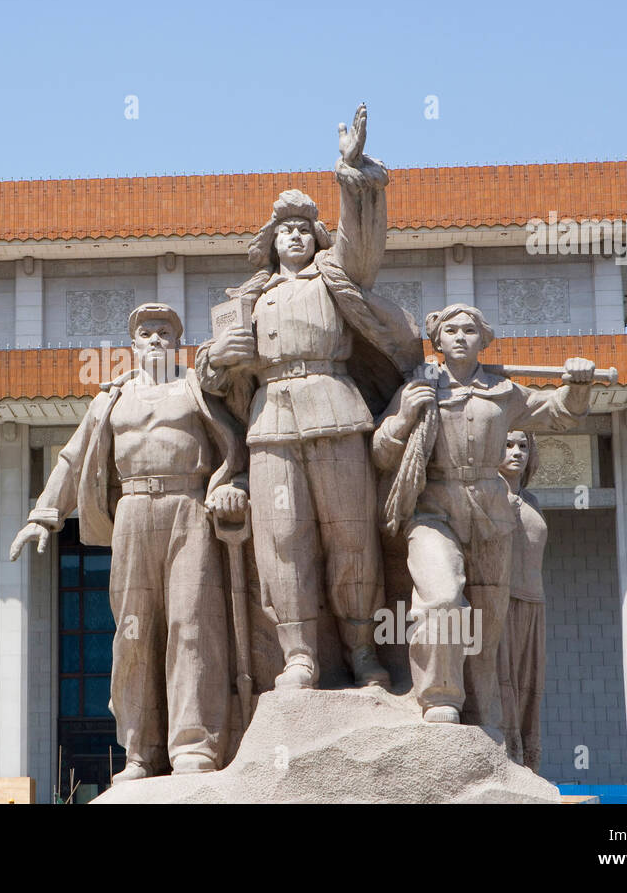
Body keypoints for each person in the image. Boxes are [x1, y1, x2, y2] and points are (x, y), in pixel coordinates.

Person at [196, 105, 421, 690]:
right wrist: (219, 359)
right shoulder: (246, 299)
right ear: (270, 243)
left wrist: (350, 172)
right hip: (270, 422)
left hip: (335, 409)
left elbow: (363, 242)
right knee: (283, 540)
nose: (294, 237)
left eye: (303, 228)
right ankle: (299, 655)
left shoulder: (336, 277)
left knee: (351, 536)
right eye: (284, 231)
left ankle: (362, 651)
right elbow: (211, 377)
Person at [9, 303, 247, 781]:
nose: (156, 339)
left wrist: (229, 485)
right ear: (133, 344)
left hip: (189, 506)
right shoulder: (111, 401)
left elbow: (238, 445)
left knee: (192, 626)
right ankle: (141, 750)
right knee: (133, 634)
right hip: (133, 512)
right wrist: (45, 514)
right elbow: (73, 459)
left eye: (164, 332)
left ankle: (193, 746)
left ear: (177, 343)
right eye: (146, 332)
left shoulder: (197, 391)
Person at [372, 304, 593, 727]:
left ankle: (483, 719)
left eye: (470, 330)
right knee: (440, 600)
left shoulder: (503, 392)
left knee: (486, 632)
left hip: (491, 513)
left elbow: (557, 413)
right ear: (437, 342)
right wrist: (402, 419)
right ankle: (439, 697)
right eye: (450, 330)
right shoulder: (419, 387)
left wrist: (577, 385)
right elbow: (381, 454)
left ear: (483, 339)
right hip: (433, 507)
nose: (459, 336)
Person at [497, 430, 547, 772]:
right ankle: (506, 757)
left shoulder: (533, 500)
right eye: (509, 444)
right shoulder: (488, 494)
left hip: (534, 601)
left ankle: (529, 766)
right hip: (503, 601)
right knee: (505, 684)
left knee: (531, 684)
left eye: (524, 446)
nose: (517, 452)